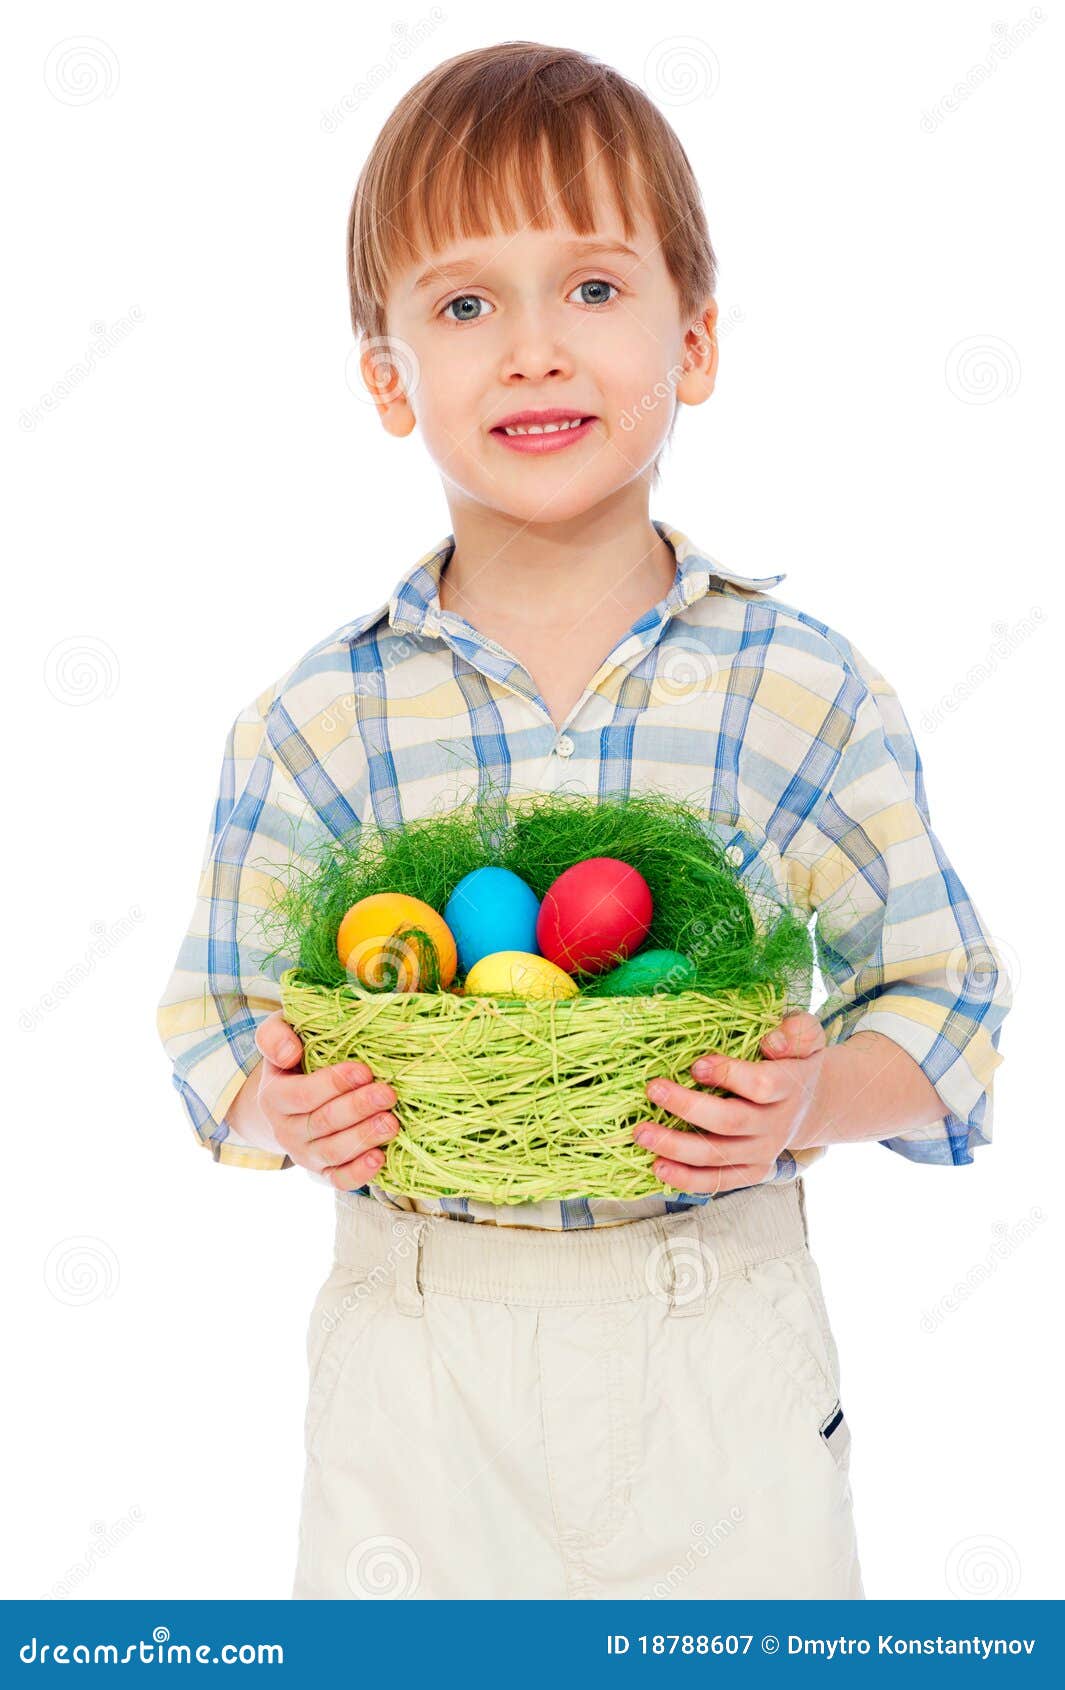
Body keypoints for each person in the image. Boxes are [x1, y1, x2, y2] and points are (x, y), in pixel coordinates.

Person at [155, 41, 1012, 1600]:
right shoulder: (313, 721)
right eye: (466, 304)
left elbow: (945, 1006)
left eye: (594, 290)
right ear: (386, 374)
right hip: (415, 1350)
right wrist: (290, 1110)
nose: (533, 349)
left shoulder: (796, 686)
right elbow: (213, 1028)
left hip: (719, 1346)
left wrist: (804, 1104)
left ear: (693, 342)